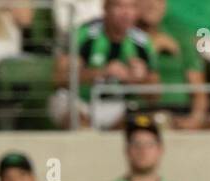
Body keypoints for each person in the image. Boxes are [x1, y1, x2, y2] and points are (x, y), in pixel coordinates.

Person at [51, 0, 159, 131]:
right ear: (105, 8)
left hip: (120, 106)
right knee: (74, 117)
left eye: (132, 7)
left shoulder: (143, 43)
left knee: (141, 123)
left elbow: (155, 94)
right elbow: (58, 79)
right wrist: (101, 73)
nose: (126, 13)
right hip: (82, 102)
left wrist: (138, 80)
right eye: (119, 6)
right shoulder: (84, 34)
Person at [139, 0, 210, 130]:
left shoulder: (181, 36)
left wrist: (194, 120)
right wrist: (151, 50)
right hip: (141, 113)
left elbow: (199, 89)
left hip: (179, 112)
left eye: (159, 1)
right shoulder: (125, 37)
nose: (152, 5)